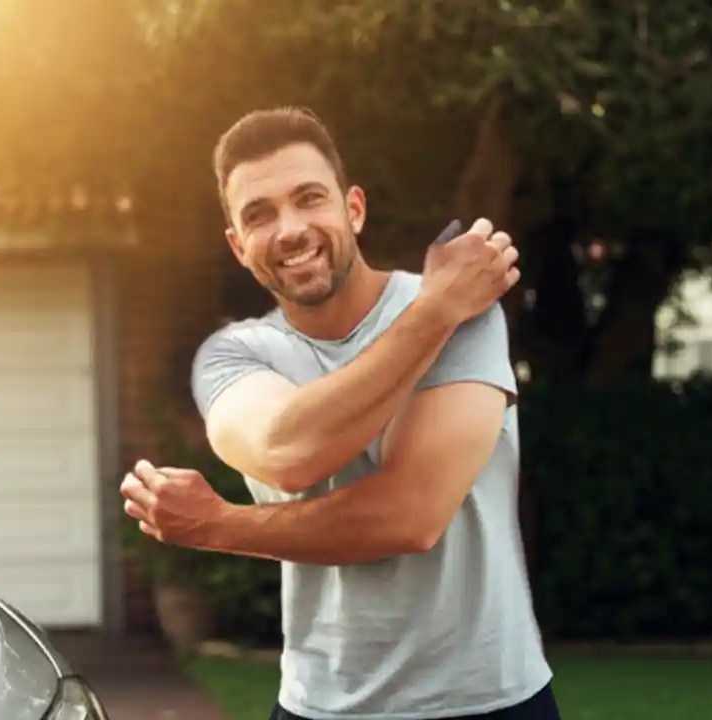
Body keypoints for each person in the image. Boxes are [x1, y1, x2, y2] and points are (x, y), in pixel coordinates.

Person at [119, 106, 560, 719]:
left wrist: (217, 525)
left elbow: (410, 517)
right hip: (318, 707)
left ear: (353, 208)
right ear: (239, 247)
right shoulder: (234, 356)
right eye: (259, 215)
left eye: (309, 198)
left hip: (484, 701)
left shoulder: (470, 315)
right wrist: (436, 313)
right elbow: (290, 453)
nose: (291, 228)